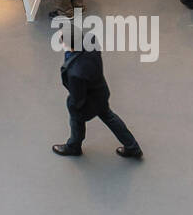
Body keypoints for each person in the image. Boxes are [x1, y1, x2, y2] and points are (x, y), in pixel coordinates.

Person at [50, 25, 142, 159]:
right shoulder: (91, 41)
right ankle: (133, 147)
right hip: (100, 91)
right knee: (109, 117)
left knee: (76, 119)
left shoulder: (75, 72)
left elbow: (78, 97)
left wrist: (73, 106)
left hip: (87, 100)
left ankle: (74, 146)